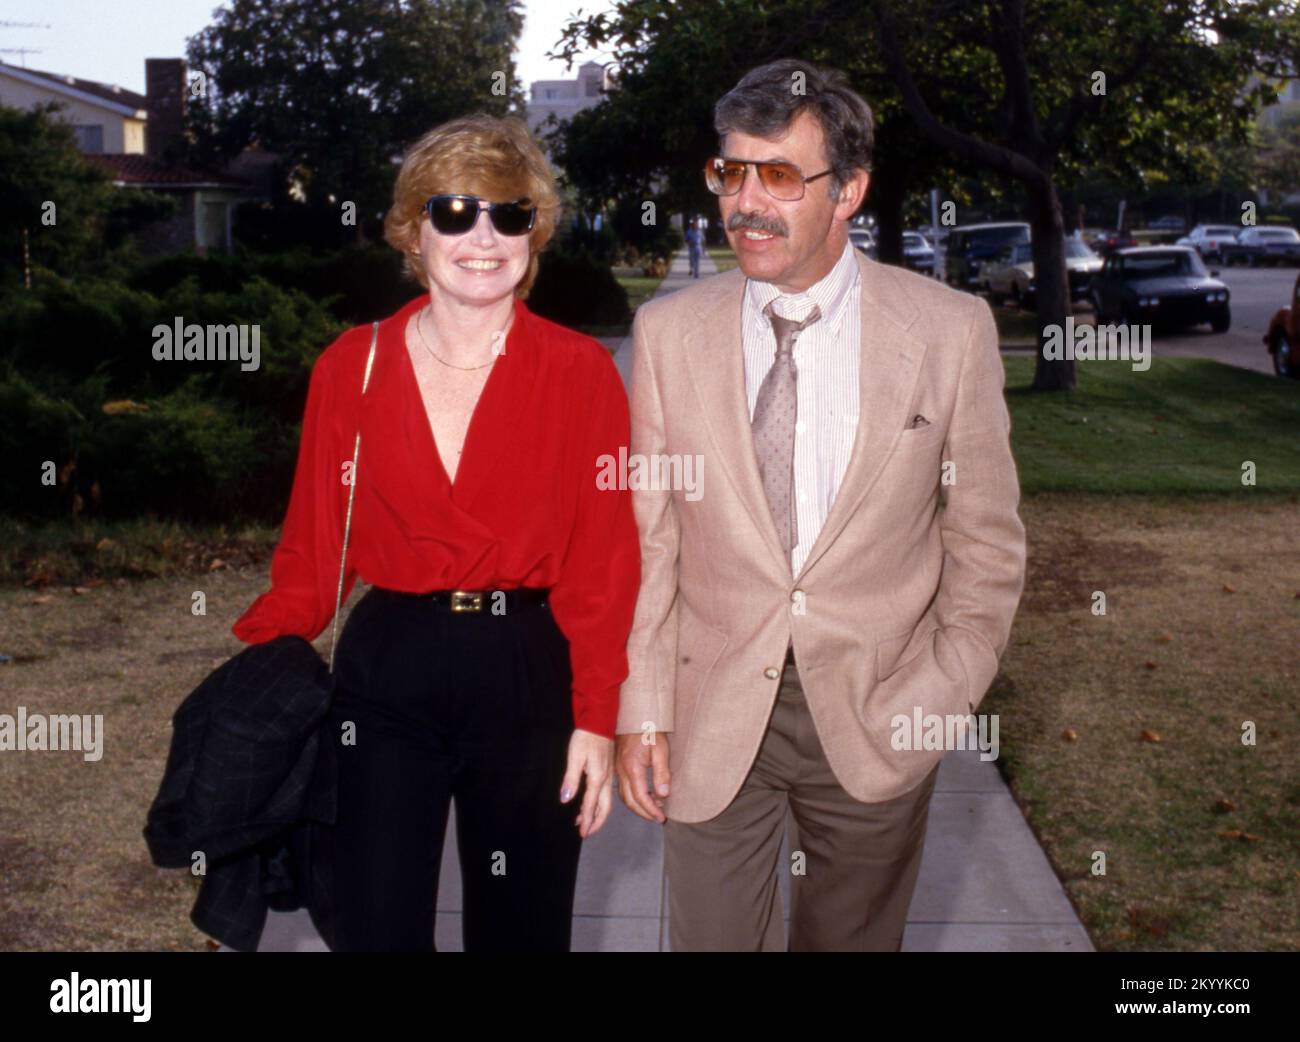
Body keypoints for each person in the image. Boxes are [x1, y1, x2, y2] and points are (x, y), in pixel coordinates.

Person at [615, 59, 1026, 951]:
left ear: (849, 191)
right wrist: (643, 705)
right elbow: (651, 544)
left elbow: (987, 545)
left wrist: (942, 693)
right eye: (730, 172)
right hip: (712, 709)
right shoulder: (668, 335)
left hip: (880, 712)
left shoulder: (949, 332)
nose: (746, 203)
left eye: (779, 176)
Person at [231, 113, 640, 952]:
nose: (482, 237)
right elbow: (313, 554)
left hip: (528, 672)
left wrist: (599, 718)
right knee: (374, 929)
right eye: (454, 212)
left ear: (535, 232)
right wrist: (248, 681)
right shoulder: (354, 365)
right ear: (415, 230)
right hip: (388, 674)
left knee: (521, 932)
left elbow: (603, 567)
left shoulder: (579, 374)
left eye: (509, 214)